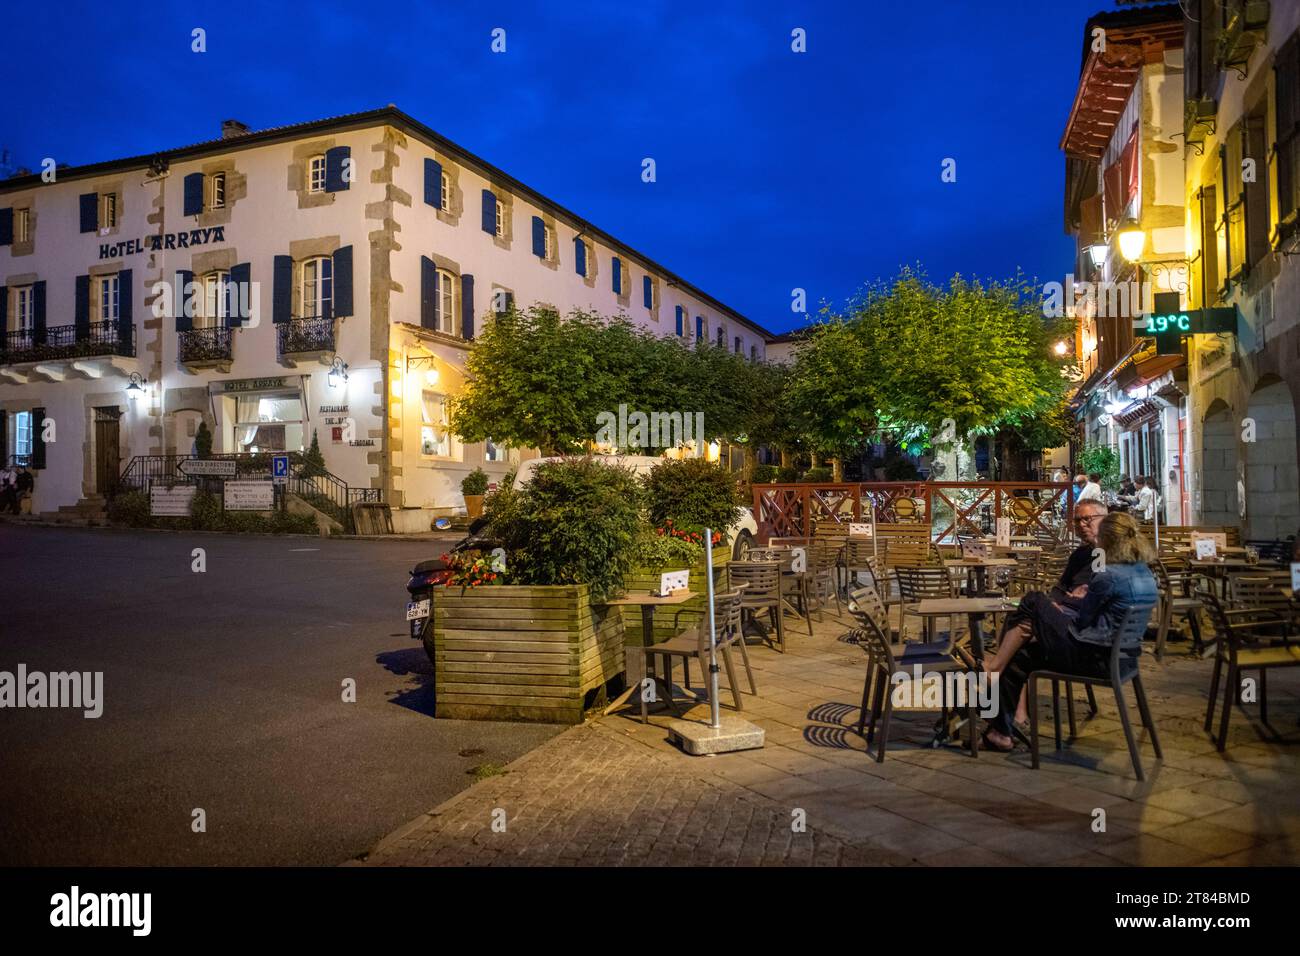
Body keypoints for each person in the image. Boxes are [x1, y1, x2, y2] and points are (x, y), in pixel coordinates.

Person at [981, 510, 1158, 751]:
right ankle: (1001, 731)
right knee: (1021, 656)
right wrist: (1077, 600)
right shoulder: (1145, 573)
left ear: (1107, 540)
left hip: (1093, 656)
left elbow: (1083, 622)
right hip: (1125, 660)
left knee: (1032, 601)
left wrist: (1072, 602)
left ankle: (994, 667)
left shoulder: (1108, 576)